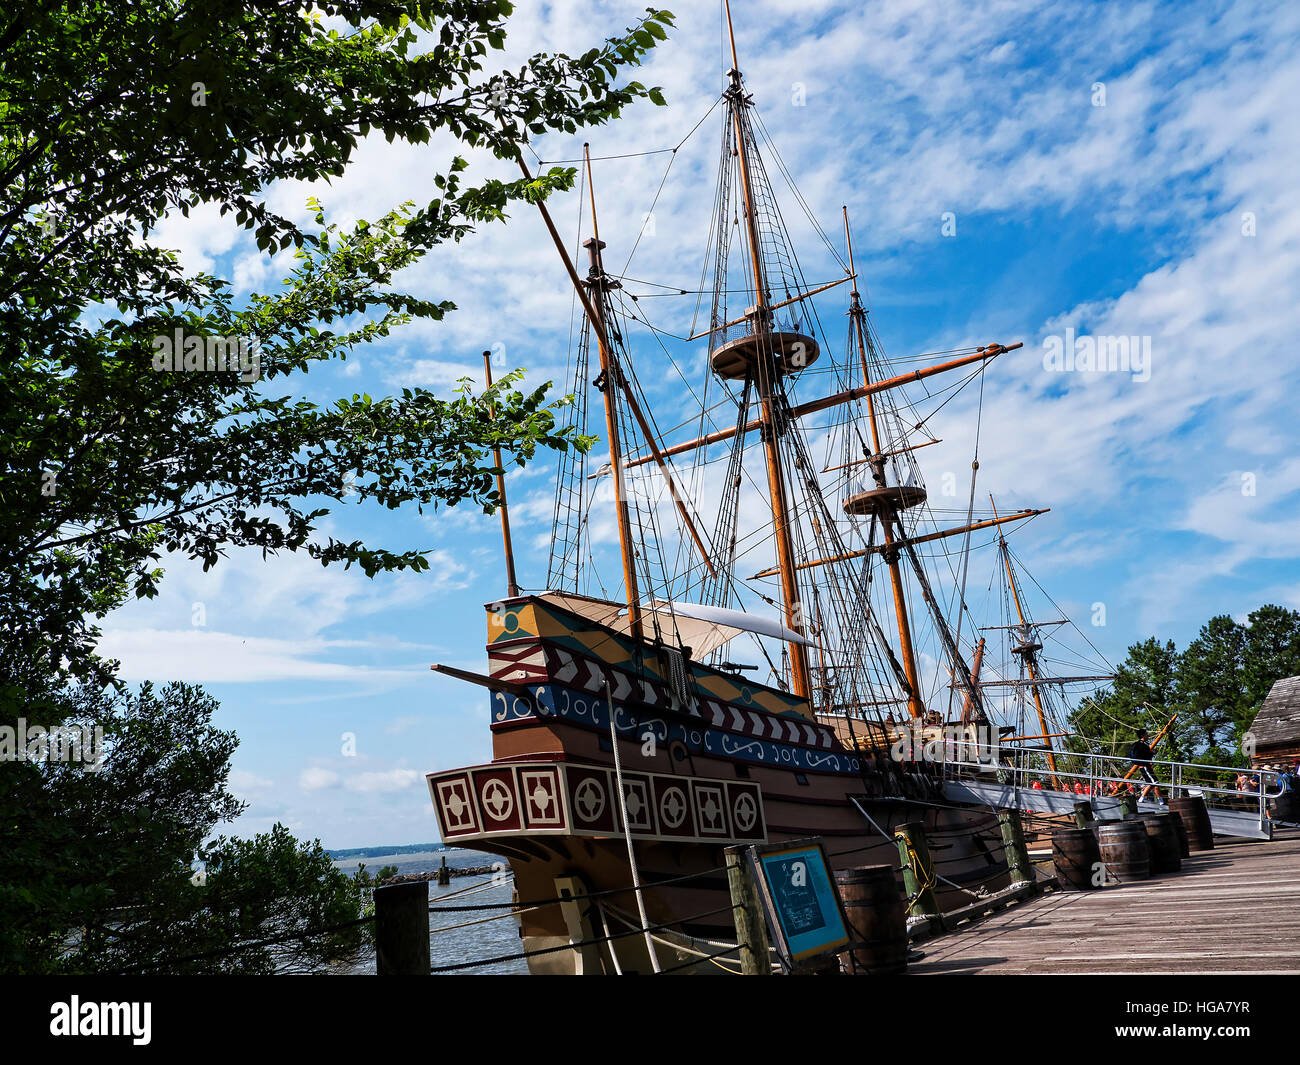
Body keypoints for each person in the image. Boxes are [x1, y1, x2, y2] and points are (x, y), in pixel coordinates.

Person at [1130, 728, 1163, 804]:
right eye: (1146, 734)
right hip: (1145, 767)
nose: (1148, 736)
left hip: (1145, 767)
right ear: (1143, 735)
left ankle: (1142, 799)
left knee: (1150, 783)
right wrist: (1152, 753)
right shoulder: (1142, 745)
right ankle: (1160, 801)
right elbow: (1145, 755)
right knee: (1155, 783)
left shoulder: (1139, 744)